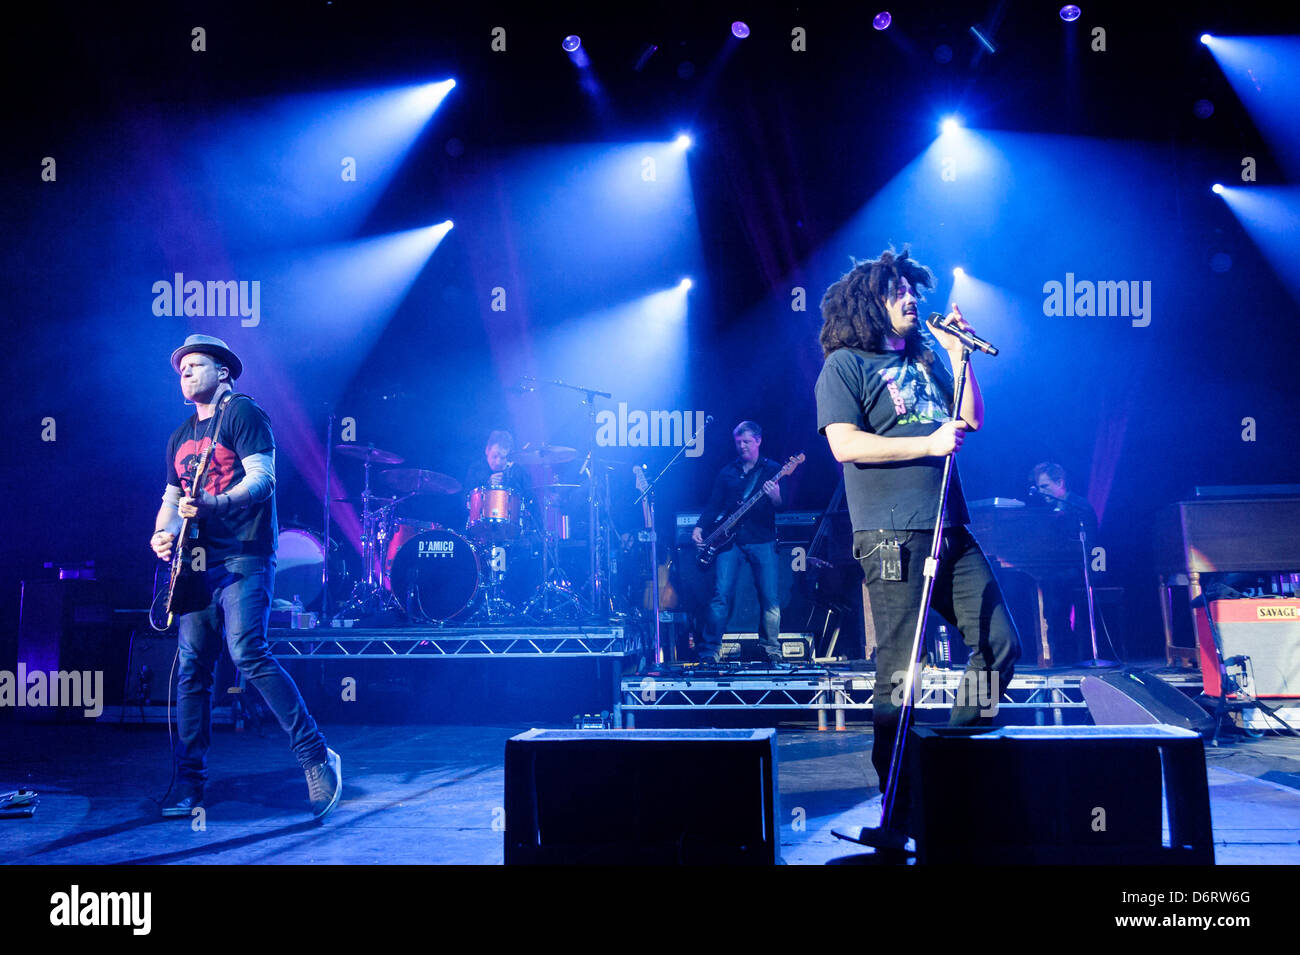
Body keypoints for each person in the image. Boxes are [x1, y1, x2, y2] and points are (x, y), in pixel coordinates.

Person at [813, 247, 1020, 817]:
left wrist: (961, 357)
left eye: (913, 289)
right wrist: (925, 444)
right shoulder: (846, 365)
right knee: (902, 669)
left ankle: (952, 758)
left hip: (950, 526)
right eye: (896, 290)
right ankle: (899, 799)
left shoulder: (928, 358)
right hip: (891, 534)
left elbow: (971, 418)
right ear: (868, 304)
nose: (910, 298)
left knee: (1000, 644)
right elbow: (845, 444)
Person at [151, 334, 341, 821]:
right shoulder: (179, 436)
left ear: (224, 373)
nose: (186, 373)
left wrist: (216, 503)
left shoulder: (244, 415)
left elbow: (262, 479)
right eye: (181, 368)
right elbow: (172, 501)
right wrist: (161, 533)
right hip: (196, 562)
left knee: (248, 652)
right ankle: (189, 784)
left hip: (244, 554)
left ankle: (316, 755)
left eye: (196, 365)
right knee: (193, 666)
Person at [691, 421, 784, 664]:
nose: (741, 446)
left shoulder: (773, 469)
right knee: (720, 595)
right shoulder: (727, 472)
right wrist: (700, 527)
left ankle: (771, 649)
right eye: (738, 442)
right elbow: (714, 505)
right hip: (728, 543)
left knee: (769, 597)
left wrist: (775, 497)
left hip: (762, 539)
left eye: (746, 441)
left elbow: (782, 506)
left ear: (758, 441)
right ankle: (710, 650)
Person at [1028, 461, 1100, 664]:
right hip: (1062, 566)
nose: (1041, 492)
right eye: (1039, 487)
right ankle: (1056, 653)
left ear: (1060, 482)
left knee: (1055, 589)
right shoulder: (1047, 510)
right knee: (1045, 586)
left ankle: (1068, 655)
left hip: (1086, 567)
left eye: (1045, 486)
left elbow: (1091, 547)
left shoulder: (1079, 507)